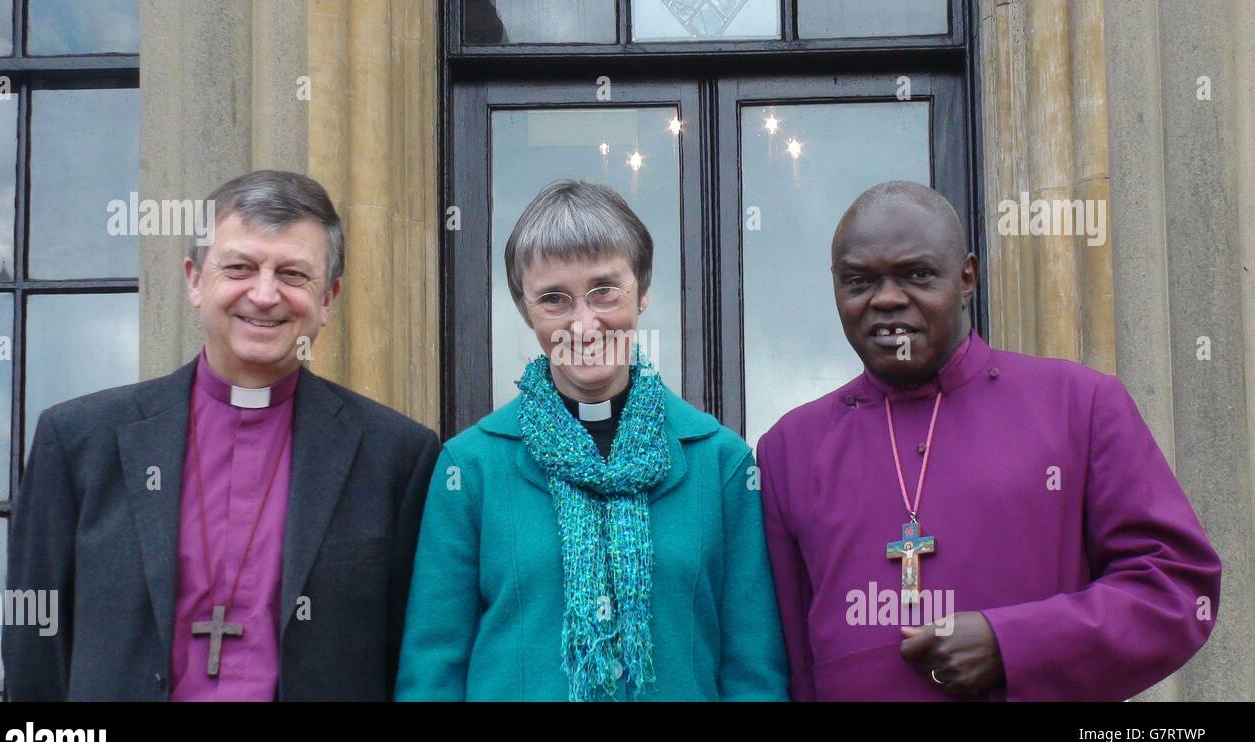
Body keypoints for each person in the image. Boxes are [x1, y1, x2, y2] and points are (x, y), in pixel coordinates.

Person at [758, 180, 1222, 701]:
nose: (886, 299)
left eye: (916, 274)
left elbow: (1175, 589)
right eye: (859, 281)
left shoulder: (1079, 405)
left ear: (967, 279)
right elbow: (792, 667)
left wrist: (1013, 644)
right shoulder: (788, 451)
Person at [3, 170, 439, 701]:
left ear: (328, 299)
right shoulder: (77, 443)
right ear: (194, 279)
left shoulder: (397, 456)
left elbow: (413, 661)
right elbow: (35, 653)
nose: (263, 294)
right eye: (240, 267)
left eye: (294, 275)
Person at [396, 180, 787, 700]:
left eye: (604, 290)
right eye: (554, 299)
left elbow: (752, 670)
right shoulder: (469, 470)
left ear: (642, 292)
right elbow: (433, 671)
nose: (583, 325)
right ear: (525, 310)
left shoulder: (722, 465)